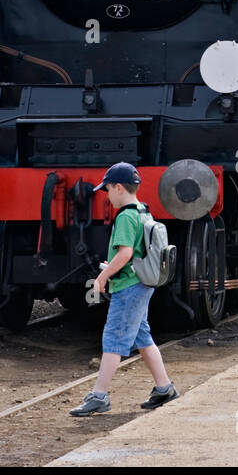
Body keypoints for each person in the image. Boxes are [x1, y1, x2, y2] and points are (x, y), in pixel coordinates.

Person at [70, 163, 178, 417]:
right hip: (139, 283)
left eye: (107, 190)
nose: (106, 196)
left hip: (129, 288)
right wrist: (115, 267)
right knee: (142, 337)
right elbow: (135, 253)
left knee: (114, 339)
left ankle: (99, 396)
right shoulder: (143, 211)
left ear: (119, 188)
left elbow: (126, 252)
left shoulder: (126, 216)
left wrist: (103, 275)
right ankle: (164, 388)